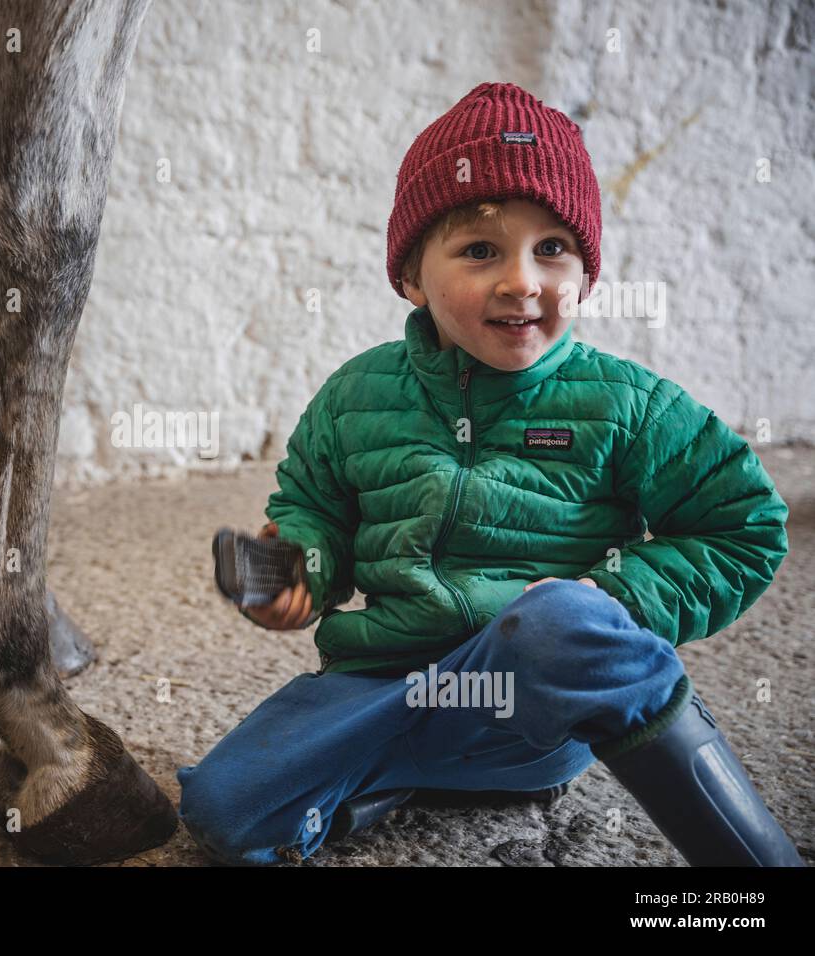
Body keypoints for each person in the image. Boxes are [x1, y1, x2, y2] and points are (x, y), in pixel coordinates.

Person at [178, 82, 803, 867]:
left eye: (552, 249)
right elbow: (314, 509)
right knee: (222, 808)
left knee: (557, 626)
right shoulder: (355, 395)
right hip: (392, 687)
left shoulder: (629, 404)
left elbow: (744, 525)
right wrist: (294, 571)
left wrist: (612, 599)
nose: (521, 281)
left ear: (587, 273)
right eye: (480, 250)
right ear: (410, 277)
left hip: (541, 698)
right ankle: (387, 784)